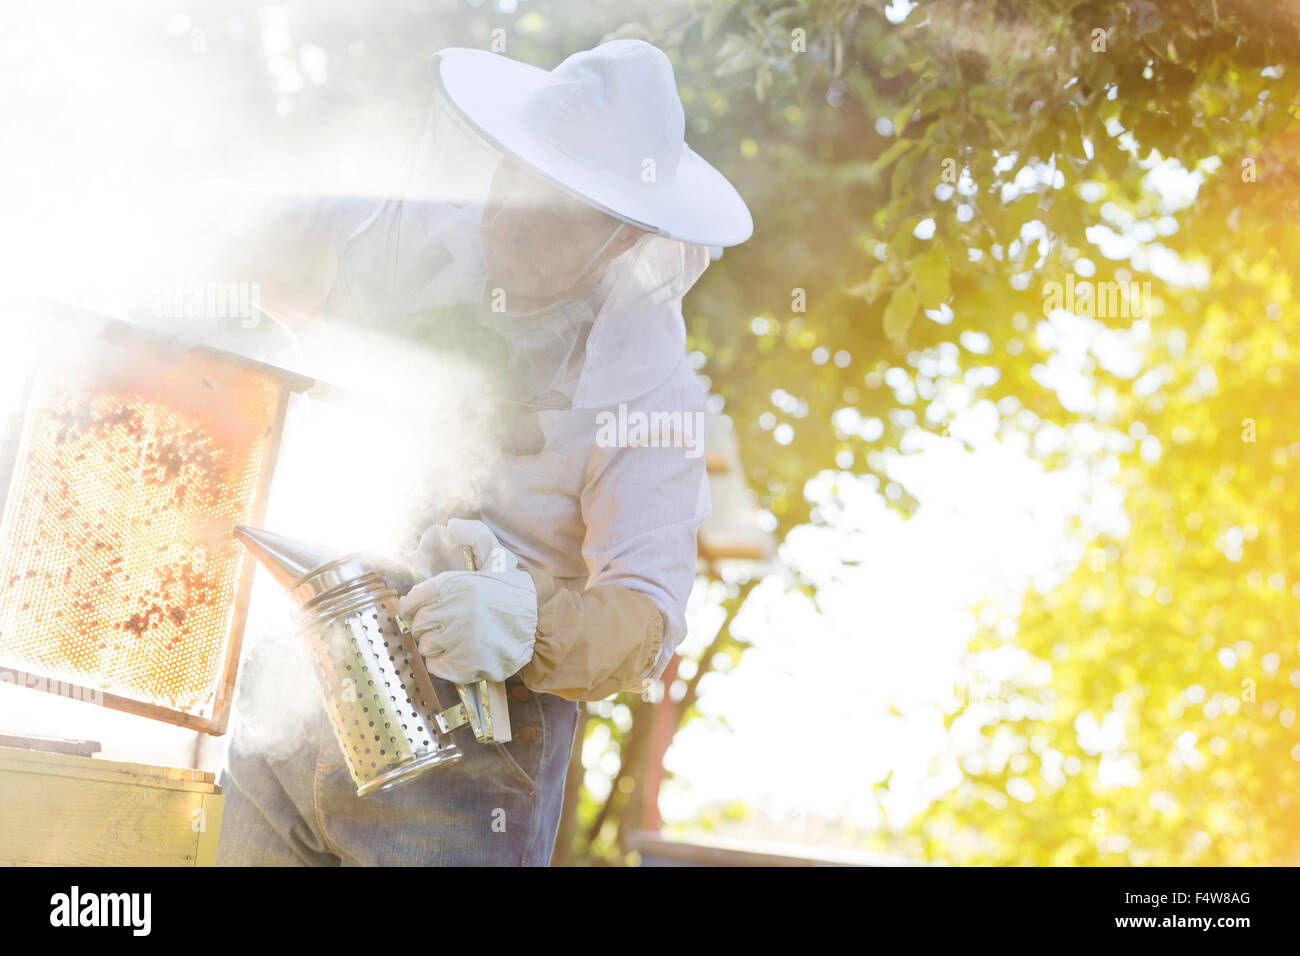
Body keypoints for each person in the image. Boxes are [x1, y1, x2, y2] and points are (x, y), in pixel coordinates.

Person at [213, 38, 752, 866]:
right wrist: (219, 304)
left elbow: (647, 620)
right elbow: (258, 248)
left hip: (472, 756)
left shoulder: (651, 394)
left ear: (620, 237)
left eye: (554, 211)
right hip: (296, 690)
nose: (512, 215)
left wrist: (521, 619)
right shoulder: (416, 244)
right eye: (513, 178)